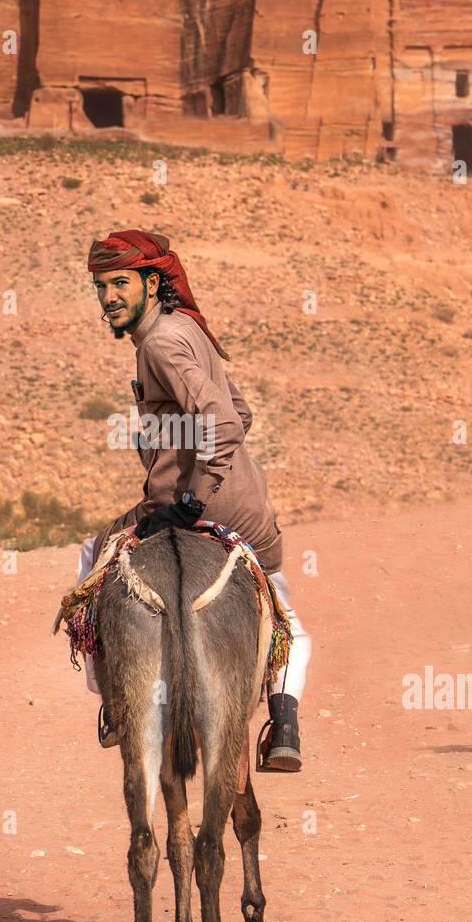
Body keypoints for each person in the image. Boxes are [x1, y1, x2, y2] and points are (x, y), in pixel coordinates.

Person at [78, 228, 311, 771]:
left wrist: (191, 498)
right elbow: (242, 413)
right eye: (100, 286)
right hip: (250, 516)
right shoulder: (185, 330)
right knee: (284, 619)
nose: (108, 297)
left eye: (119, 284)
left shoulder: (158, 344)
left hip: (195, 508)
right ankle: (284, 724)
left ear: (152, 282)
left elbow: (224, 422)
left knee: (92, 558)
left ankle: (114, 705)